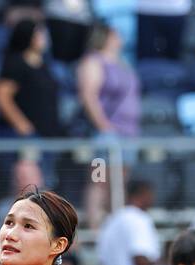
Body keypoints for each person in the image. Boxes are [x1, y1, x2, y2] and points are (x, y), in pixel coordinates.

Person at [76, 22, 139, 226]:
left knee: (119, 182)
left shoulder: (123, 62)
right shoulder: (93, 62)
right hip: (104, 134)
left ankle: (115, 224)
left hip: (127, 133)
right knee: (99, 179)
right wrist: (103, 125)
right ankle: (95, 227)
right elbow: (88, 96)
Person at [0, 18, 65, 193]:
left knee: (46, 185)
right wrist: (22, 125)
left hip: (47, 135)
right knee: (28, 185)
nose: (43, 38)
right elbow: (1, 95)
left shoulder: (45, 64)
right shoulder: (15, 63)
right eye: (39, 33)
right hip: (27, 137)